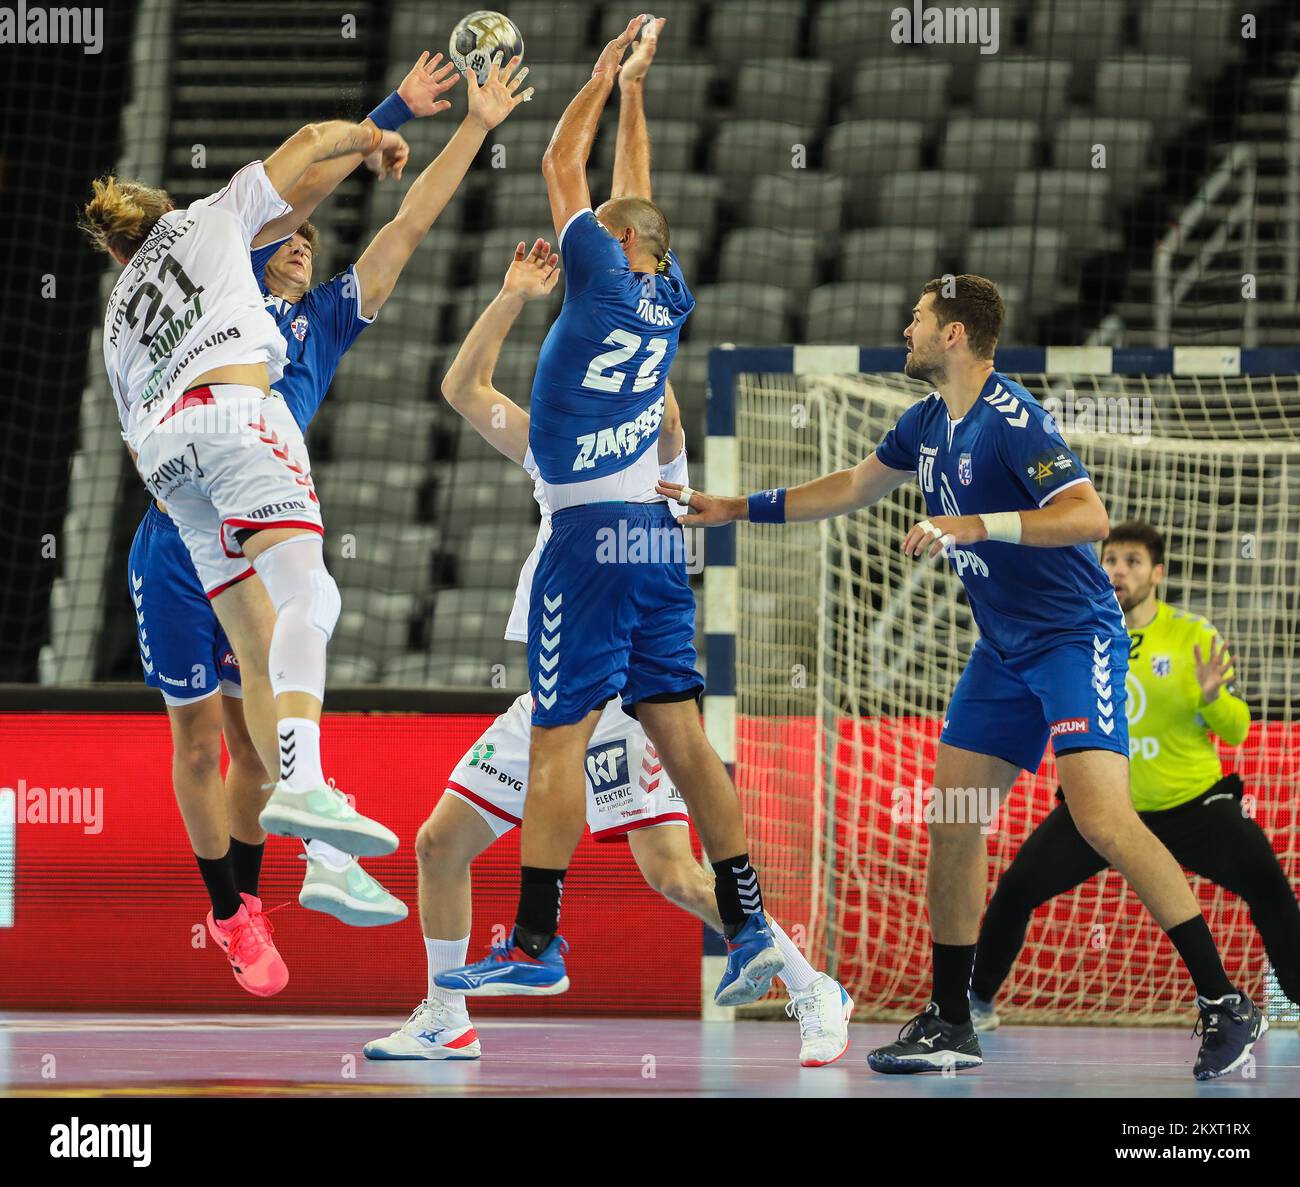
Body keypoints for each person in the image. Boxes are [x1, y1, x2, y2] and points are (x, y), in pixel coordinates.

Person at [660, 275, 1267, 1081]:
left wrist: (978, 524)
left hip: (1071, 639)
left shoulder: (1015, 421)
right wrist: (738, 507)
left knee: (1102, 819)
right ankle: (951, 1018)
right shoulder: (923, 424)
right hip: (1002, 652)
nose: (904, 328)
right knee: (953, 816)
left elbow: (1088, 516)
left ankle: (1225, 1001)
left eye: (916, 318)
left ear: (952, 335)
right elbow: (848, 486)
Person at [90, 51, 531, 995]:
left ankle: (309, 857)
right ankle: (251, 880)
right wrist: (389, 119)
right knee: (251, 674)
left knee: (262, 674)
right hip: (211, 488)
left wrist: (468, 129)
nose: (304, 241)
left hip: (193, 471)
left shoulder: (323, 318)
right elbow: (305, 170)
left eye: (310, 242)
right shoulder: (223, 257)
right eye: (293, 236)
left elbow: (406, 224)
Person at [363, 240, 851, 1065]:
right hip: (561, 682)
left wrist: (636, 357)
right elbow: (461, 388)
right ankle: (447, 1014)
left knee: (675, 874)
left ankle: (811, 987)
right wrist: (514, 294)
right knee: (439, 843)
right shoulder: (557, 441)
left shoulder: (654, 436)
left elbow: (662, 419)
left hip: (622, 686)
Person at [438, 14, 785, 1010]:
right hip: (651, 537)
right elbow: (636, 193)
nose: (581, 225)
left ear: (614, 242)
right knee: (682, 738)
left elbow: (559, 158)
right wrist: (636, 92)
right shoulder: (666, 291)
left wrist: (594, 79)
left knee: (558, 738)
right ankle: (750, 919)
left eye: (604, 223)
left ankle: (538, 939)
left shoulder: (592, 276)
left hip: (586, 538)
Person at [968, 520, 1297, 1033]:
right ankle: (976, 1005)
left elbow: (1235, 731)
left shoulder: (1191, 635)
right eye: (1111, 560)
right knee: (1016, 887)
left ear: (1157, 573)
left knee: (1269, 885)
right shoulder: (1077, 631)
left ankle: (1293, 1000)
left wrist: (1214, 698)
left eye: (1133, 562)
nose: (1119, 570)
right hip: (1103, 810)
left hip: (1190, 807)